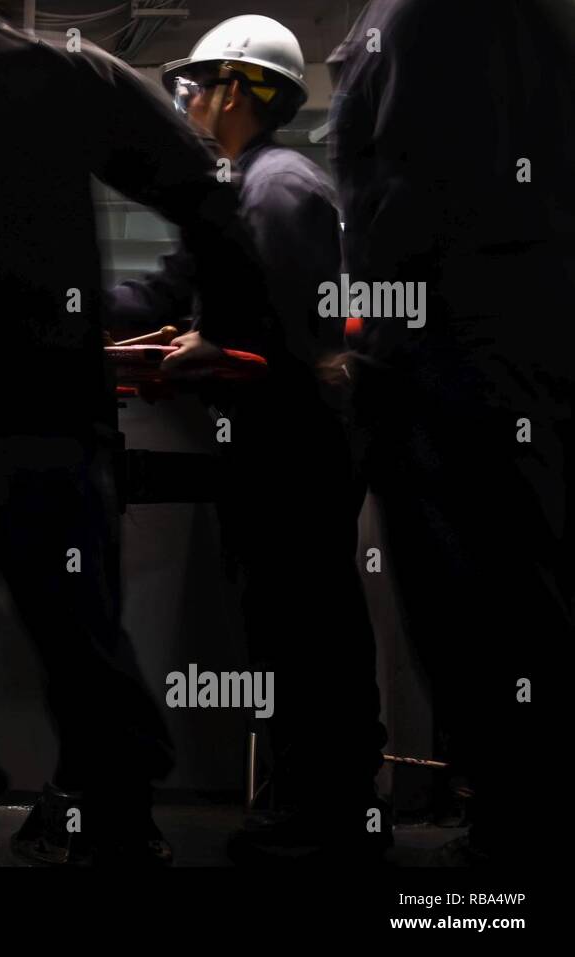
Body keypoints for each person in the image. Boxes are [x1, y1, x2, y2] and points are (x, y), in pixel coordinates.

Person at [0, 0, 274, 865]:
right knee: (83, 648)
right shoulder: (68, 75)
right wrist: (230, 322)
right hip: (44, 427)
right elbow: (206, 199)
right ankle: (117, 837)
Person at [96, 14, 388, 863]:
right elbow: (168, 287)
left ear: (235, 91)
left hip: (298, 449)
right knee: (286, 627)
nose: (183, 100)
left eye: (192, 85)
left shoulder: (281, 188)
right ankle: (313, 804)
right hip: (269, 447)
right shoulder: (238, 191)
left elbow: (305, 333)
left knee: (308, 631)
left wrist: (216, 342)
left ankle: (328, 815)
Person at [328, 0, 574, 865]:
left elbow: (408, 186)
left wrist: (367, 331)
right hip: (515, 333)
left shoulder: (424, 17)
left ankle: (513, 825)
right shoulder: (535, 21)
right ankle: (519, 810)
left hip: (447, 348)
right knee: (519, 580)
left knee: (466, 594)